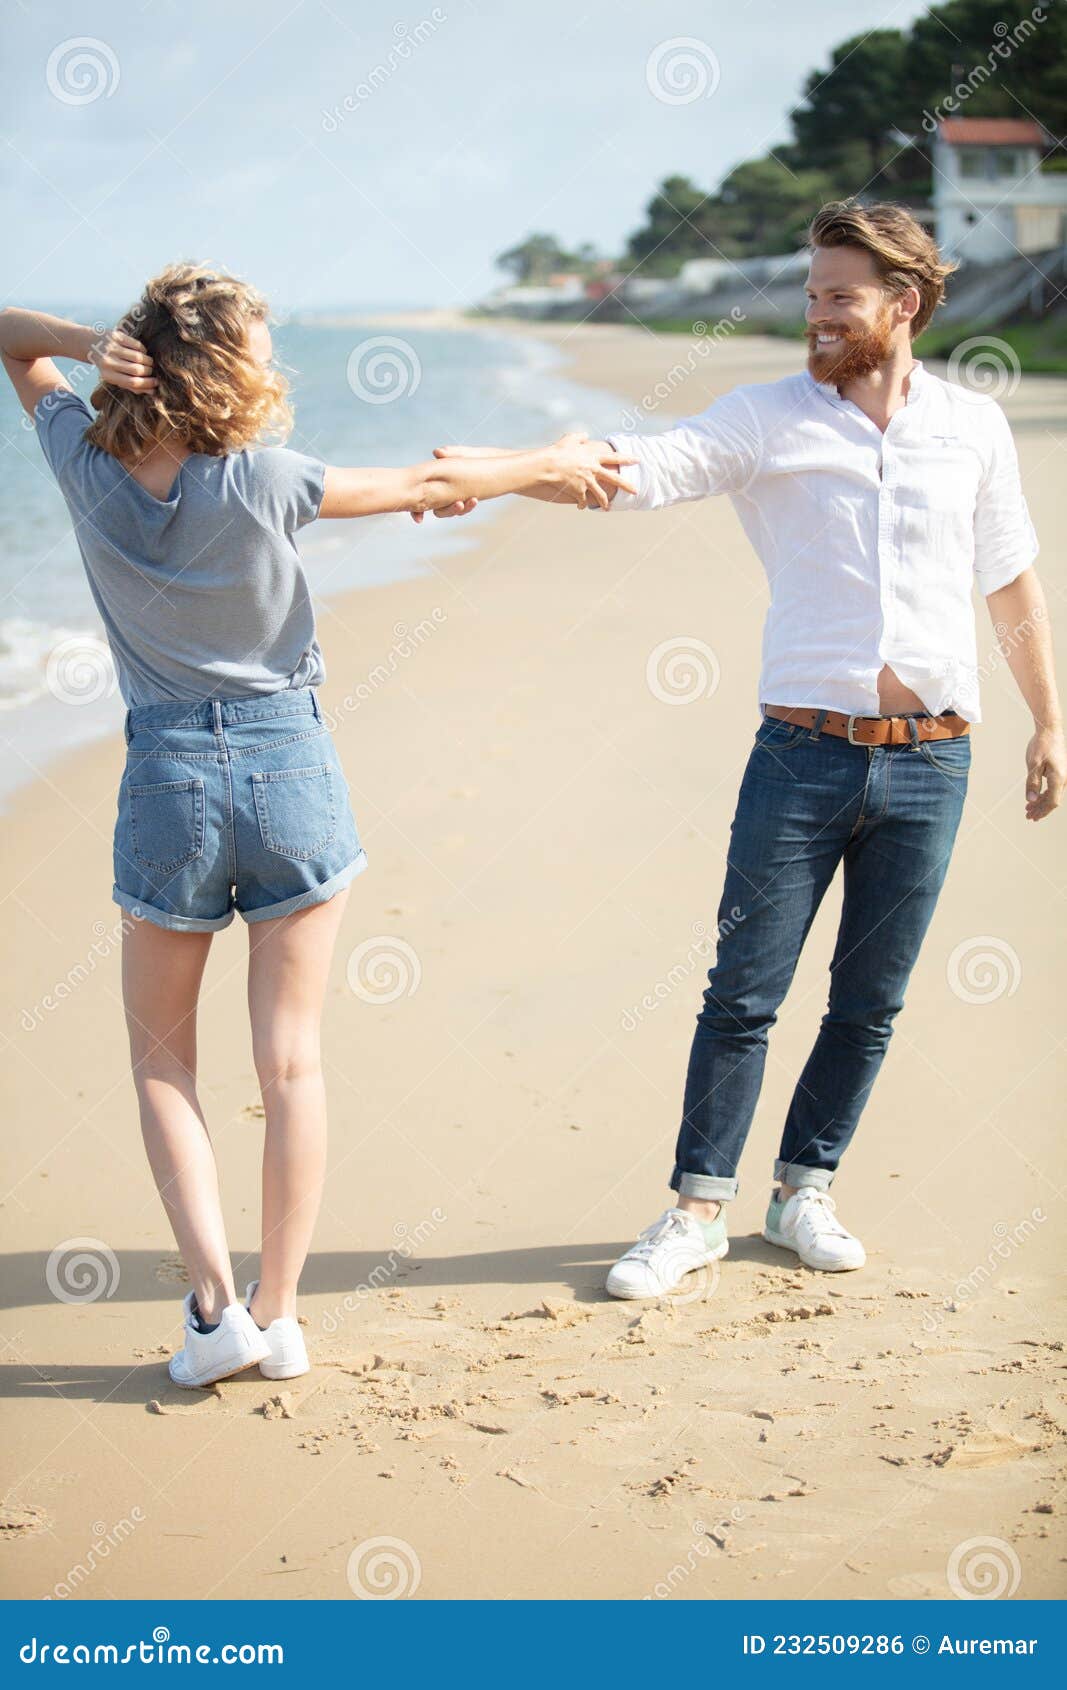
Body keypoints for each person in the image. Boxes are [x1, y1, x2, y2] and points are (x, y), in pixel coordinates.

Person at [0, 264, 635, 1385]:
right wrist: (549, 462)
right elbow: (423, 486)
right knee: (290, 1062)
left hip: (166, 779)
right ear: (236, 369)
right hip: (290, 760)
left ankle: (212, 1313)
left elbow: (7, 338)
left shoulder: (80, 463)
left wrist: (88, 337)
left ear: (142, 355)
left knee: (162, 1063)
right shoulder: (266, 478)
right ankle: (279, 1312)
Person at [435, 199, 1064, 1291]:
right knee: (743, 991)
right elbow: (639, 465)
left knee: (869, 1000)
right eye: (810, 293)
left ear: (900, 304)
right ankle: (695, 1210)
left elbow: (1006, 577)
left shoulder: (969, 426)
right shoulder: (767, 416)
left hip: (934, 759)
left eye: (835, 296)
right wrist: (495, 472)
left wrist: (1048, 719)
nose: (814, 313)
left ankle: (802, 1190)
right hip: (800, 756)